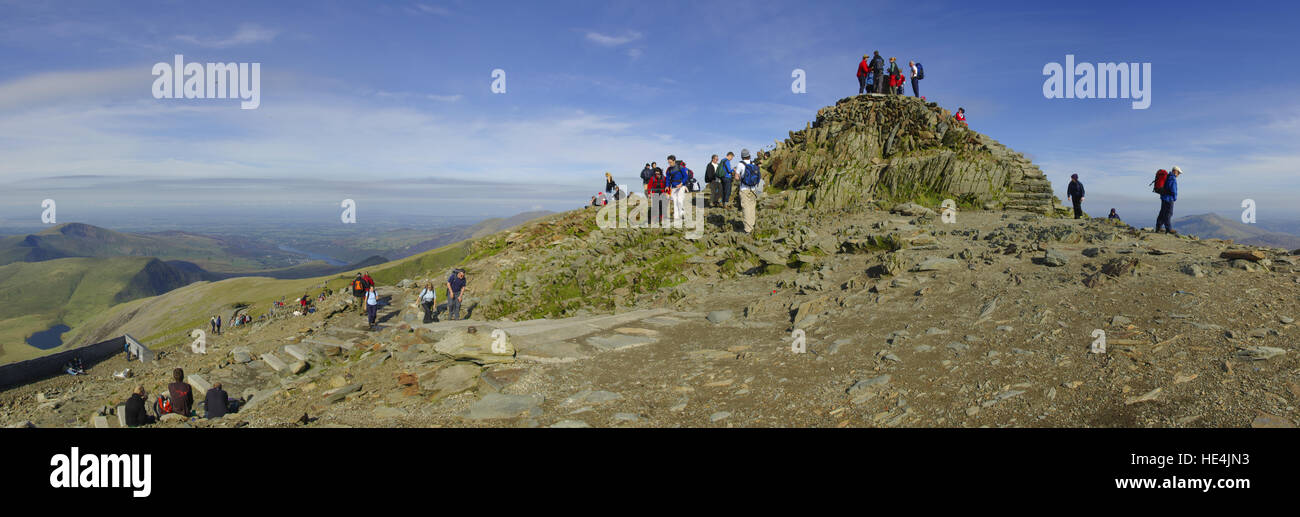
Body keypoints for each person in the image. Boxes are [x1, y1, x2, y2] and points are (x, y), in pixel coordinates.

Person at [736, 149, 762, 234]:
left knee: (745, 208)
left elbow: (737, 177)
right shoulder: (753, 164)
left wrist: (739, 179)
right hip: (754, 189)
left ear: (742, 156)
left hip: (744, 189)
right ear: (749, 155)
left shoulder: (740, 164)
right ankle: (752, 224)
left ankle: (748, 229)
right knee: (752, 207)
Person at [1156, 166, 1181, 234]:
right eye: (1178, 173)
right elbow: (1173, 189)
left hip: (1164, 197)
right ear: (1175, 171)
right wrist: (1175, 198)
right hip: (1169, 199)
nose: (1178, 174)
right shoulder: (1172, 178)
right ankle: (1169, 229)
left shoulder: (1167, 176)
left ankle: (1158, 227)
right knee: (1168, 213)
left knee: (1162, 213)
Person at [665, 155, 687, 223]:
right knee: (675, 202)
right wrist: (667, 186)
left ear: (674, 161)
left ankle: (682, 213)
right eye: (668, 162)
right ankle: (676, 217)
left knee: (680, 200)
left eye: (671, 162)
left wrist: (681, 183)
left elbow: (686, 176)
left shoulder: (680, 167)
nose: (670, 164)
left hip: (681, 186)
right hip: (673, 187)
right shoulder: (669, 169)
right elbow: (668, 179)